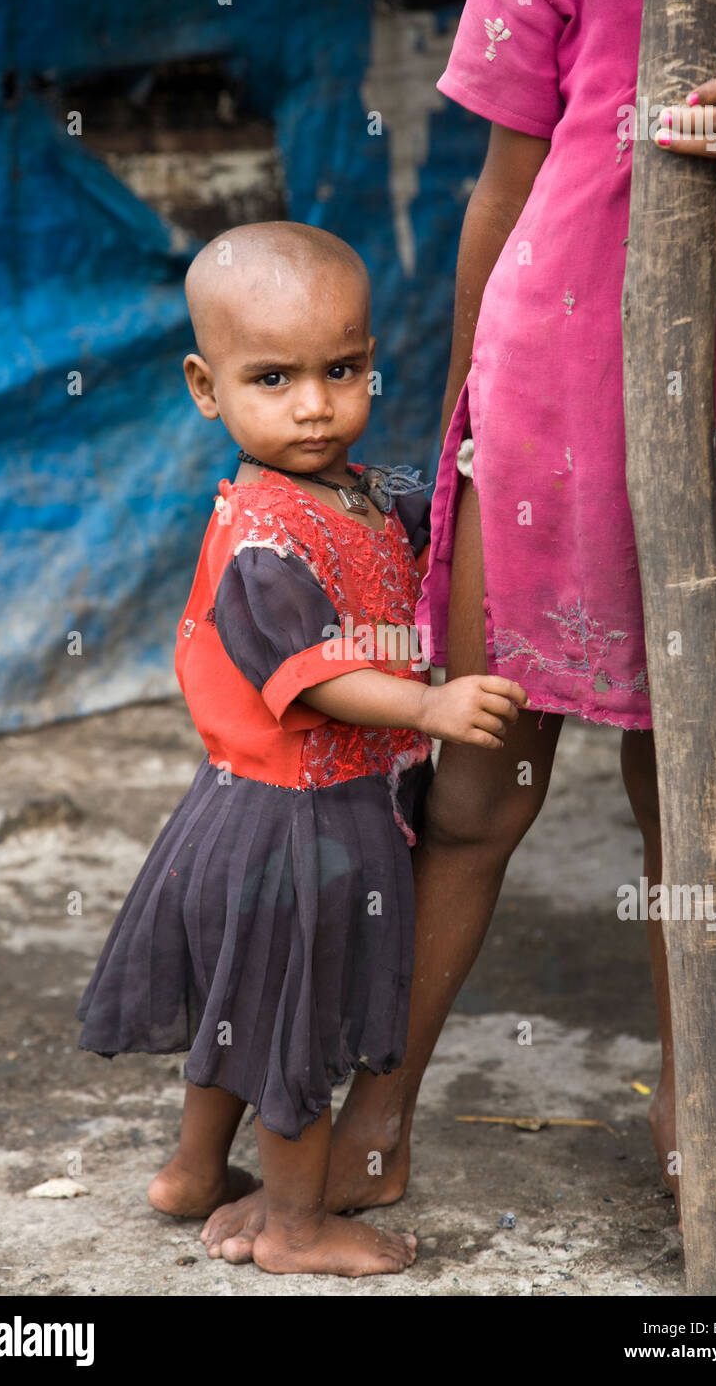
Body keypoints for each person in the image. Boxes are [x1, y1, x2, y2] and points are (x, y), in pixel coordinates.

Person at [201, 0, 716, 1261]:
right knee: (478, 786)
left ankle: (703, 1128)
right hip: (549, 410)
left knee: (687, 787)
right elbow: (506, 187)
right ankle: (376, 1119)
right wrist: (464, 426)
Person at [76, 220, 527, 1277]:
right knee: (297, 1024)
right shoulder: (262, 541)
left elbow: (434, 513)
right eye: (271, 377)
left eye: (342, 370)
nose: (315, 404)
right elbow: (313, 674)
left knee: (241, 1005)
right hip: (295, 824)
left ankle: (192, 1174)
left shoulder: (363, 490)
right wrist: (429, 707)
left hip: (277, 811)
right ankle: (292, 1224)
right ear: (204, 385)